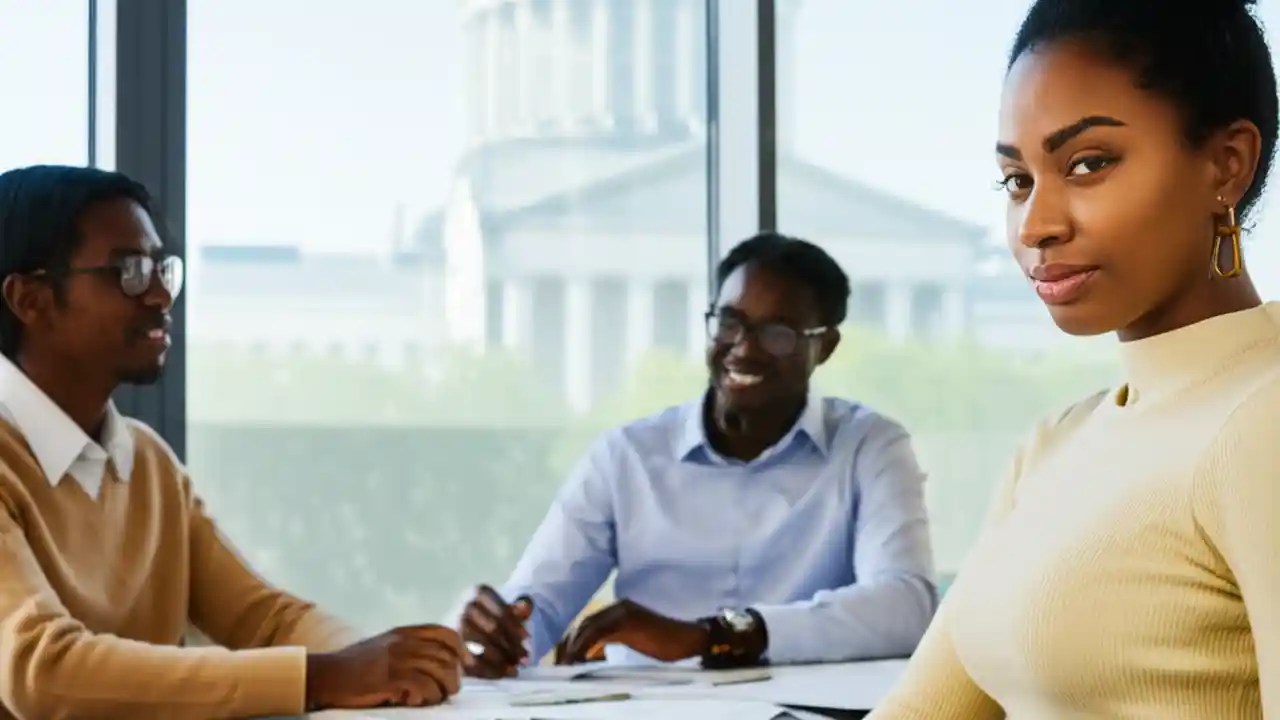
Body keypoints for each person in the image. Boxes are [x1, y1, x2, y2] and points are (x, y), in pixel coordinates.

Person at [869, 1, 1280, 717]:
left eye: (1088, 164)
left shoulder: (1263, 419)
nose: (1035, 225)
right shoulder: (1057, 442)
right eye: (1018, 180)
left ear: (1226, 165)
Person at [0, 165, 467, 720]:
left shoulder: (147, 461)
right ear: (30, 299)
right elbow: (42, 671)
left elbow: (265, 621)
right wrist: (331, 674)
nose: (158, 295)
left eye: (160, 269)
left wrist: (391, 667)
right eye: (127, 271)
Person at [460, 232, 937, 678]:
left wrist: (713, 635)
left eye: (778, 333)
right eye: (730, 322)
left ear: (825, 346)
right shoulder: (626, 457)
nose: (744, 349)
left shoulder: (869, 447)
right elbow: (534, 605)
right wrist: (492, 641)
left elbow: (906, 606)